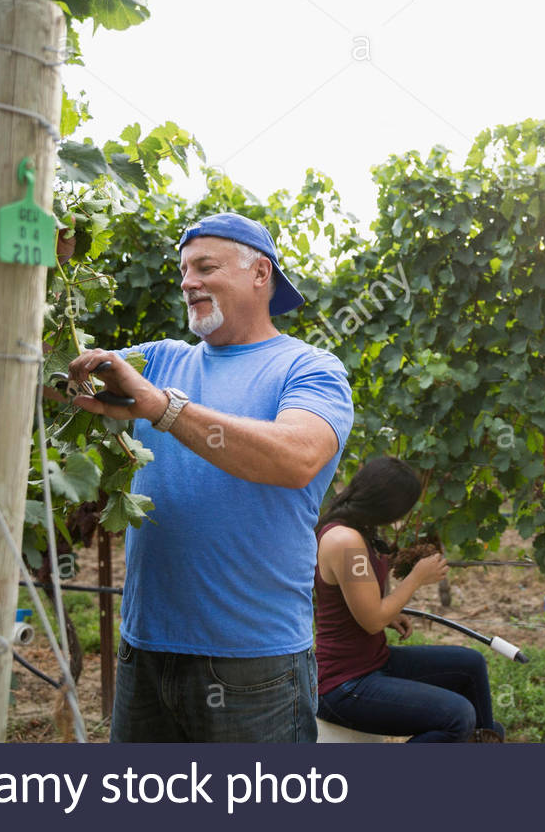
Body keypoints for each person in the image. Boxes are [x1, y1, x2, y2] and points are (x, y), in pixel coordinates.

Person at [66, 212, 354, 743]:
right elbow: (58, 376)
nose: (187, 281)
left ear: (260, 273)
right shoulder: (157, 359)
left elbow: (296, 457)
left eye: (205, 266)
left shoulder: (308, 368)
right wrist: (49, 265)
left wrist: (163, 408)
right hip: (145, 651)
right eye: (183, 270)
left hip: (254, 666)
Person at [314, 456, 505, 742]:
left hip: (373, 662)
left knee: (470, 666)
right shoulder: (345, 541)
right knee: (458, 716)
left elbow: (360, 606)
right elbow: (371, 621)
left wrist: (390, 614)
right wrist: (417, 577)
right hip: (345, 684)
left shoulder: (356, 530)